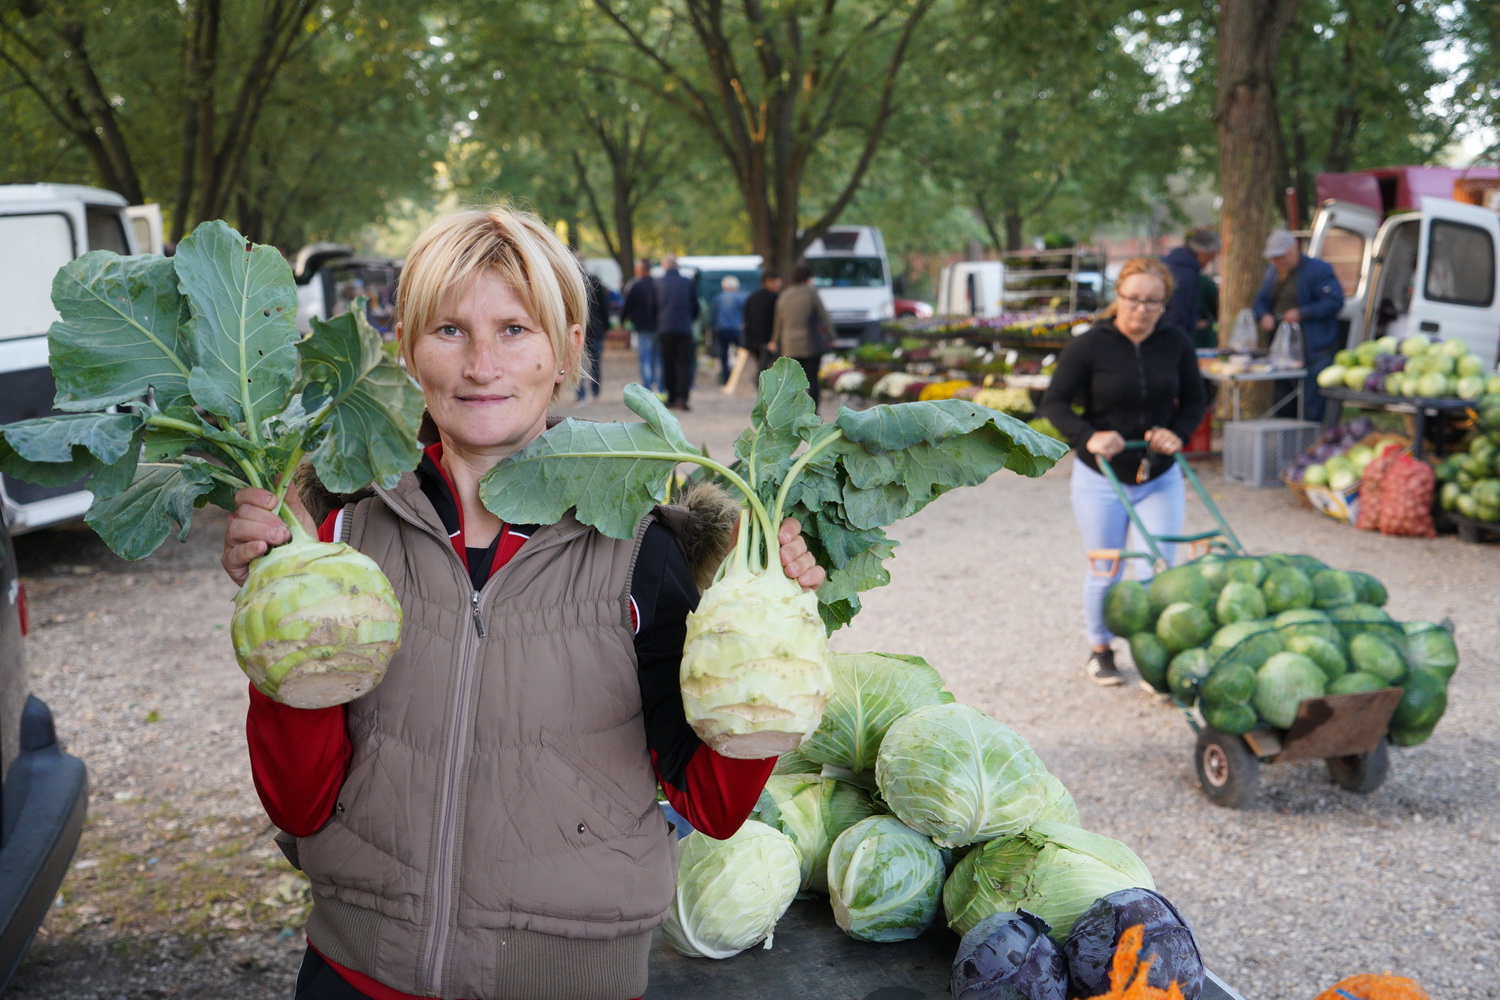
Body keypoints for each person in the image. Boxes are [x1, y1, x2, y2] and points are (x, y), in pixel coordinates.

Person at [219, 206, 826, 1000]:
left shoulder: (643, 550)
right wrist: (284, 631)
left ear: (568, 347)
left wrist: (768, 646)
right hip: (355, 973)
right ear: (404, 347)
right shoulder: (339, 534)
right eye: (448, 330)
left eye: (514, 329)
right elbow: (299, 806)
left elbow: (708, 805)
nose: (481, 365)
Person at [1038, 257, 1208, 688]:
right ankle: (1101, 649)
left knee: (1158, 567)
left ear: (1165, 303)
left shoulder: (1176, 343)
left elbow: (1195, 400)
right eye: (1133, 299)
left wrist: (1178, 433)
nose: (1142, 309)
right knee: (1106, 569)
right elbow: (1054, 403)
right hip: (1101, 477)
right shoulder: (1090, 345)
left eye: (1153, 301)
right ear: (1118, 297)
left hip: (1159, 475)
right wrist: (1087, 435)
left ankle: (1153, 655)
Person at [1252, 228, 1345, 423]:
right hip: (1284, 352)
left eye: (1282, 257)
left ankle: (1313, 445)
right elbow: (1259, 301)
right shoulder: (1272, 273)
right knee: (1284, 404)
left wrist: (1302, 314)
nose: (1279, 262)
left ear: (1294, 248)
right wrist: (1263, 315)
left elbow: (1334, 302)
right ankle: (1288, 446)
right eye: (1274, 259)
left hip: (1315, 349)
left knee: (1312, 406)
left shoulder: (1319, 270)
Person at [770, 264, 833, 408]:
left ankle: (794, 412)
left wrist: (775, 340)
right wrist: (832, 336)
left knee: (793, 382)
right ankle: (813, 411)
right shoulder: (811, 293)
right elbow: (823, 317)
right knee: (812, 379)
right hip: (810, 344)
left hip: (789, 345)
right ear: (808, 278)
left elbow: (778, 323)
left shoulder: (784, 295)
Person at [1161, 227, 1221, 350]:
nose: (1212, 261)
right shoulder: (1185, 275)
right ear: (1202, 254)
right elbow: (1178, 312)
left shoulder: (1173, 263)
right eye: (1211, 258)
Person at [653, 253, 699, 411]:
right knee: (684, 364)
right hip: (684, 329)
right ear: (677, 266)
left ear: (664, 265)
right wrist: (689, 320)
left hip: (665, 329)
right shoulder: (688, 283)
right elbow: (695, 307)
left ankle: (671, 397)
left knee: (668, 363)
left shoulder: (658, 283)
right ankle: (682, 398)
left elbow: (654, 307)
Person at [620, 258, 660, 394]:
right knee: (656, 357)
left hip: (642, 327)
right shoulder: (658, 285)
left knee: (645, 357)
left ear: (642, 270)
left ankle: (648, 386)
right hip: (658, 326)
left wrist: (622, 320)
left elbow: (628, 306)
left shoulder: (636, 286)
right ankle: (658, 385)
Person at [576, 257, 611, 405]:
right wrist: (606, 325)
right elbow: (604, 306)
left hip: (578, 329)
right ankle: (595, 391)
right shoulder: (594, 280)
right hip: (595, 328)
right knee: (595, 362)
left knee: (578, 363)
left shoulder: (571, 282)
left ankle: (581, 394)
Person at [742, 268, 782, 377]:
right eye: (778, 281)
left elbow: (747, 320)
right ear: (769, 281)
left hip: (755, 341)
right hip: (771, 341)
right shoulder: (776, 298)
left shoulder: (752, 298)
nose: (780, 284)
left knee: (761, 368)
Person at [708, 275, 747, 384]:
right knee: (740, 354)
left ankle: (726, 378)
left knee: (723, 355)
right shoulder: (740, 298)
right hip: (736, 329)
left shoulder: (718, 298)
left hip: (721, 329)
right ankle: (737, 377)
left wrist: (711, 330)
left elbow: (713, 316)